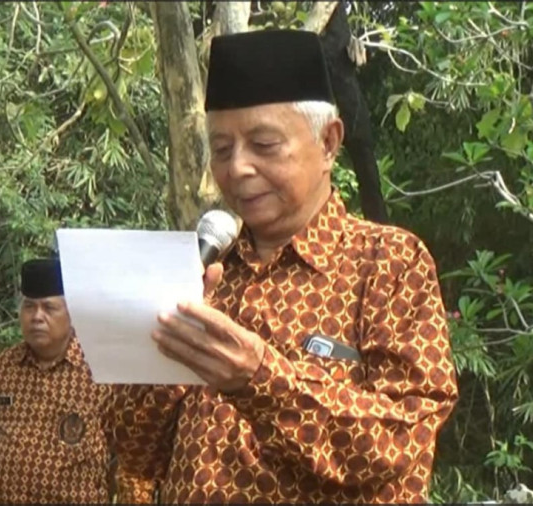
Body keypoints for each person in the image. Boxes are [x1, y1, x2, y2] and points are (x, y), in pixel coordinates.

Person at [108, 29, 459, 503]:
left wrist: (259, 378)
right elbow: (133, 453)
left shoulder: (389, 264)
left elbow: (399, 441)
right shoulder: (202, 275)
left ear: (330, 142)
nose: (238, 169)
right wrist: (163, 356)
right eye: (222, 149)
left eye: (264, 144)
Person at [0, 258, 113, 503]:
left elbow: (123, 453)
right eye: (29, 307)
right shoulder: (0, 369)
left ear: (72, 314)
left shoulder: (100, 372)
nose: (37, 317)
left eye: (49, 308)